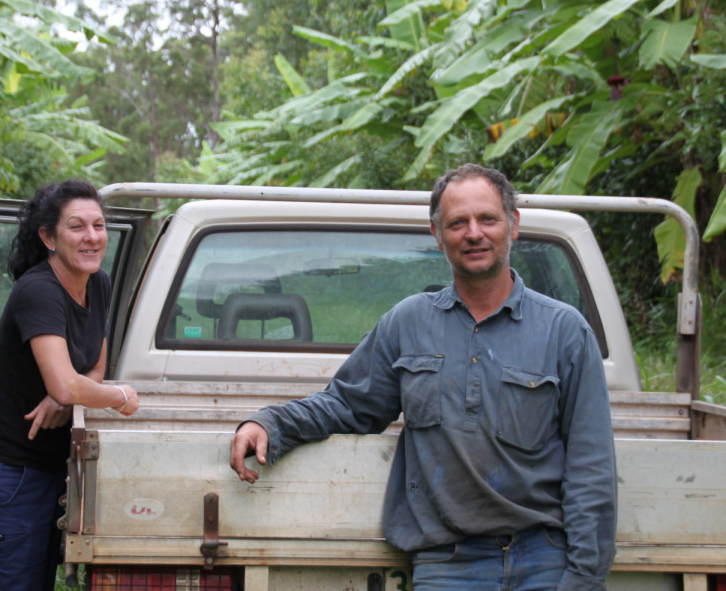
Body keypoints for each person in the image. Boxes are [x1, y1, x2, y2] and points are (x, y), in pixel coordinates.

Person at [229, 164, 616, 591]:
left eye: (487, 219)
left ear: (513, 224)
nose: (474, 233)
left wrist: (584, 577)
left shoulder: (565, 331)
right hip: (448, 563)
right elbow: (346, 404)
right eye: (457, 223)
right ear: (437, 234)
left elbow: (591, 466)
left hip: (544, 557)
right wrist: (271, 424)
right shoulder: (408, 323)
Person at [0, 179, 140, 591]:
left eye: (98, 225)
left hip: (53, 472)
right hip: (8, 473)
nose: (91, 236)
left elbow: (94, 367)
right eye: (77, 227)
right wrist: (120, 397)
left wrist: (66, 397)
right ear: (48, 238)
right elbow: (66, 384)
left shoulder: (98, 282)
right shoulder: (39, 291)